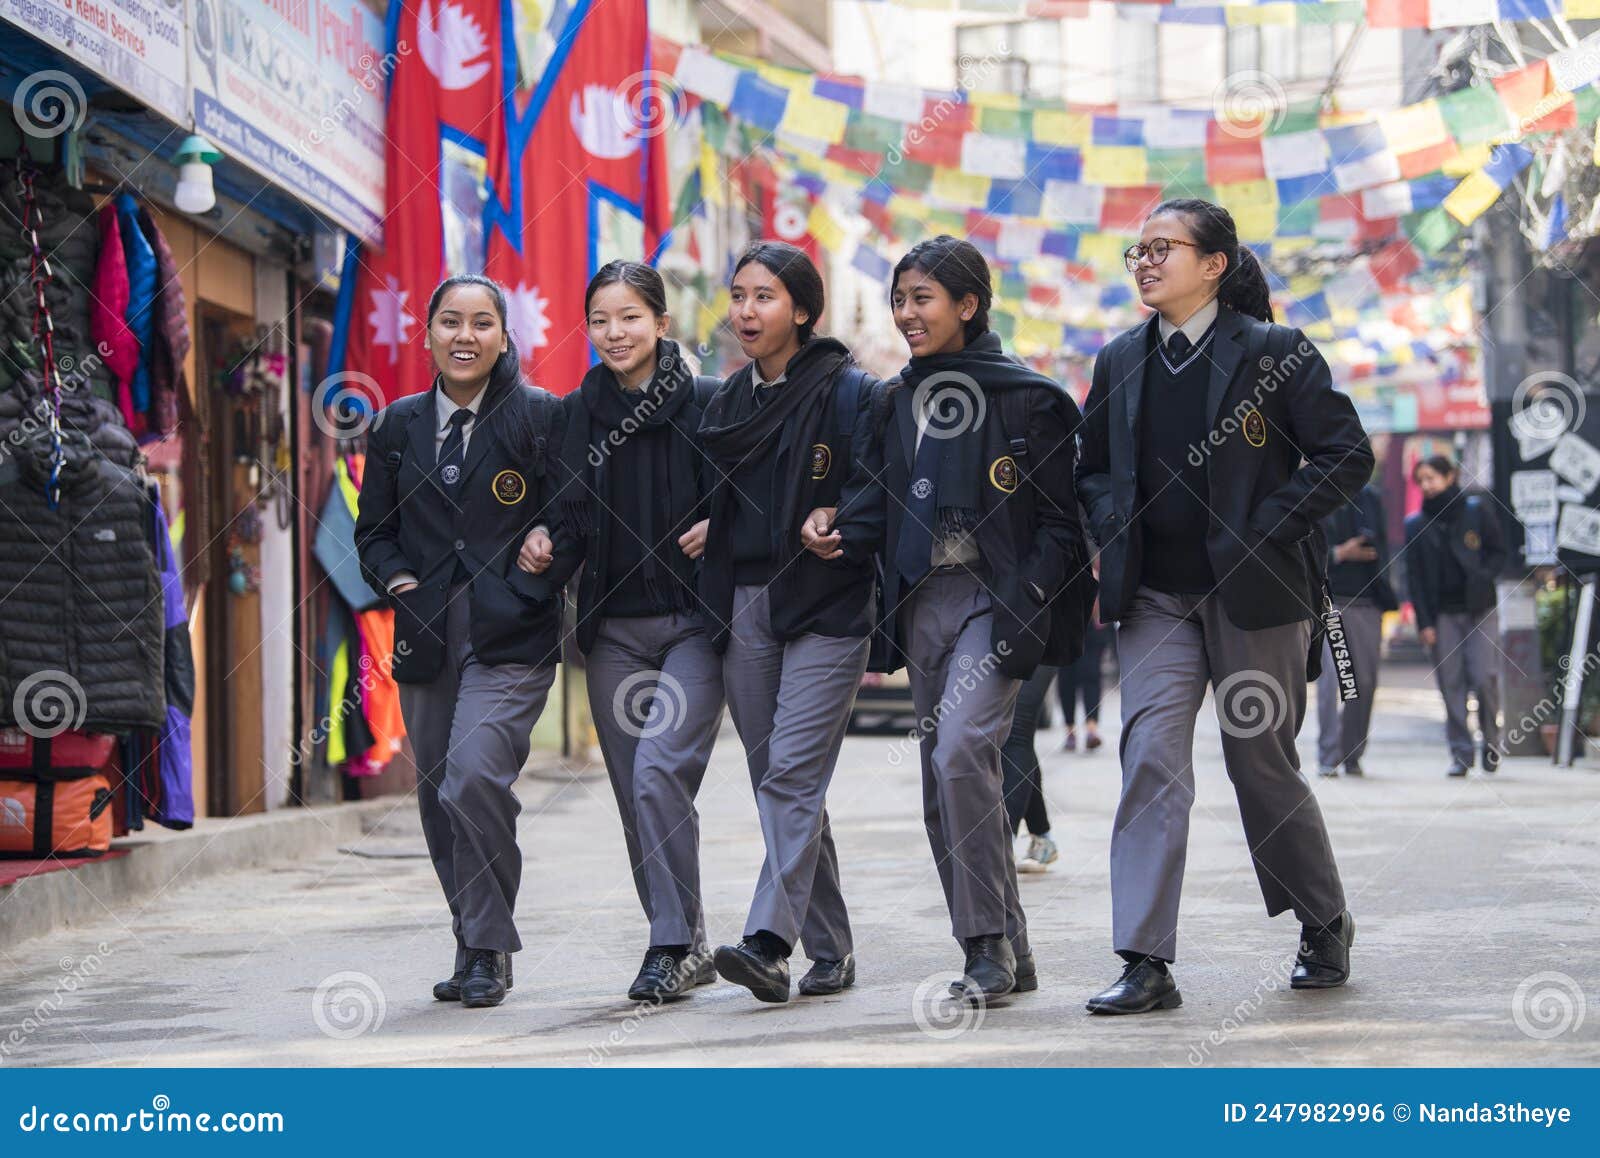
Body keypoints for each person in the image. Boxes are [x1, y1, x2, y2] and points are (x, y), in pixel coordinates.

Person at [1076, 199, 1369, 1015]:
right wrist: (1110, 519)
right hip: (1154, 598)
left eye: (1161, 248)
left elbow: (1347, 452)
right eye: (1137, 251)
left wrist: (1271, 523)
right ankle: (1144, 959)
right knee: (1150, 758)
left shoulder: (1275, 351)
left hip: (1256, 596)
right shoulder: (1119, 359)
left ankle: (1322, 920)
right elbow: (1089, 466)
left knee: (1259, 762)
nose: (1144, 262)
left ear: (1213, 264)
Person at [815, 235, 1089, 1001]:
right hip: (921, 604)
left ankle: (984, 947)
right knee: (944, 784)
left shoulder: (1029, 400)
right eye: (899, 299)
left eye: (922, 299)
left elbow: (1064, 524)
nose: (906, 313)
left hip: (996, 600)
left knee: (963, 750)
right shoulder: (893, 401)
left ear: (968, 305)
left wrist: (1026, 597)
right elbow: (873, 497)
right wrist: (834, 524)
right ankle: (1008, 946)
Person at [355, 274, 565, 1009]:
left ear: (504, 337)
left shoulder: (540, 416)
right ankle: (475, 938)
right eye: (450, 321)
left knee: (474, 778)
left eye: (481, 323)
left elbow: (576, 512)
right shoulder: (396, 425)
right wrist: (401, 582)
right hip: (426, 629)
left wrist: (546, 540)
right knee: (438, 796)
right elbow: (373, 532)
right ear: (428, 335)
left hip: (512, 627)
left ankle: (486, 945)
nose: (465, 336)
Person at [698, 241, 883, 1004]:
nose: (746, 311)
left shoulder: (852, 393)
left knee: (792, 776)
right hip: (746, 602)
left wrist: (842, 512)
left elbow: (880, 485)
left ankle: (768, 943)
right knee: (780, 783)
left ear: (802, 310)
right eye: (739, 296)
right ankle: (831, 950)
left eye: (765, 297)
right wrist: (710, 526)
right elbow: (717, 494)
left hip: (827, 603)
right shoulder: (728, 403)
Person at [538, 261, 722, 1003]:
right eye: (601, 320)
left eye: (630, 317)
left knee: (658, 773)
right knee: (634, 792)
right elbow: (565, 514)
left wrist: (723, 525)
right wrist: (544, 540)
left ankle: (669, 945)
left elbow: (748, 496)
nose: (614, 332)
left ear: (662, 324)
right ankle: (685, 940)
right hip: (613, 631)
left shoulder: (710, 403)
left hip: (694, 628)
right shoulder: (574, 415)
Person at [1404, 455, 1507, 777]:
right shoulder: (1415, 524)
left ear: (1449, 477)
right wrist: (1425, 623)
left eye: (1431, 477)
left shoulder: (1476, 511)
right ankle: (1461, 753)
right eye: (1421, 480)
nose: (1426, 485)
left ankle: (1491, 742)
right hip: (1442, 615)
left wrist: (1482, 576)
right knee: (1451, 684)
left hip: (1480, 609)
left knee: (1484, 677)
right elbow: (1414, 579)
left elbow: (1499, 552)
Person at [1316, 481, 1398, 777]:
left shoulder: (1371, 499)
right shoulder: (1317, 493)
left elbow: (1382, 549)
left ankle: (1351, 753)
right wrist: (1340, 553)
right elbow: (1306, 553)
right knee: (1332, 681)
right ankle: (1328, 755)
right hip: (1331, 604)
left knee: (1362, 682)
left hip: (1367, 602)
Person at [1002, 664, 1059, 873]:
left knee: (1016, 728)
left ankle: (1002, 844)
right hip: (997, 648)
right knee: (1016, 737)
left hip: (1041, 648)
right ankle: (1042, 837)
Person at [1058, 569, 1110, 753]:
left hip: (1091, 629)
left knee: (1091, 675)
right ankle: (1070, 730)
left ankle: (1091, 729)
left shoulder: (1094, 568)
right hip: (1065, 628)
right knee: (1067, 678)